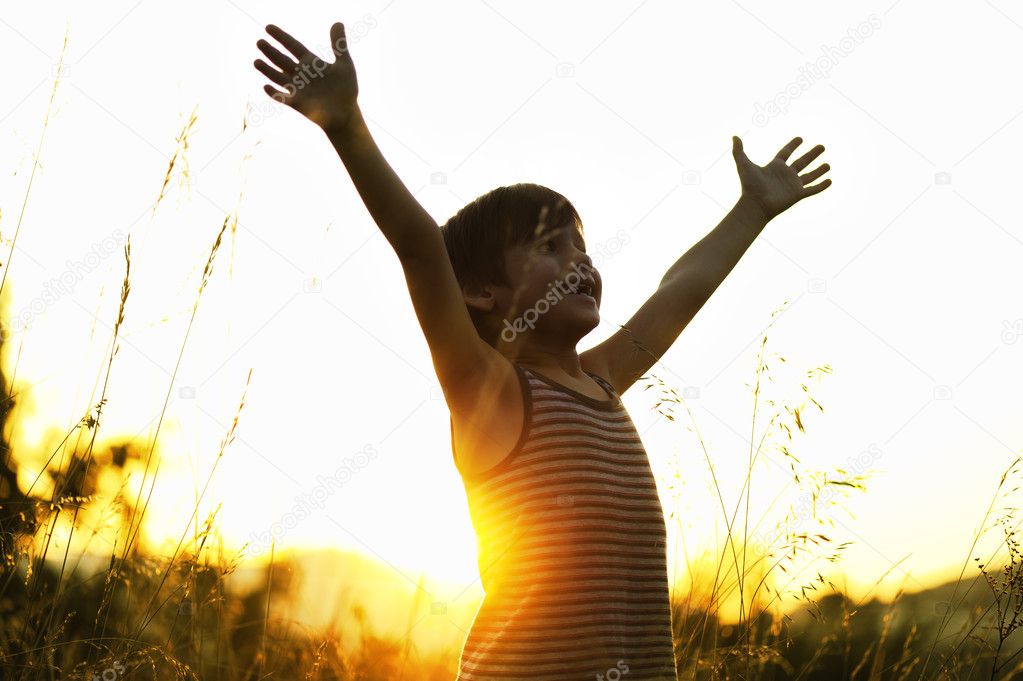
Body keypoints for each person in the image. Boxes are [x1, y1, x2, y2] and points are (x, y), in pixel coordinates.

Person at [253, 20, 831, 680]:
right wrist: (345, 125)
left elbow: (681, 288)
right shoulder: (487, 392)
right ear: (477, 291)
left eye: (581, 247)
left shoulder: (604, 377)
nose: (579, 261)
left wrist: (751, 210)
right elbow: (418, 245)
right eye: (549, 247)